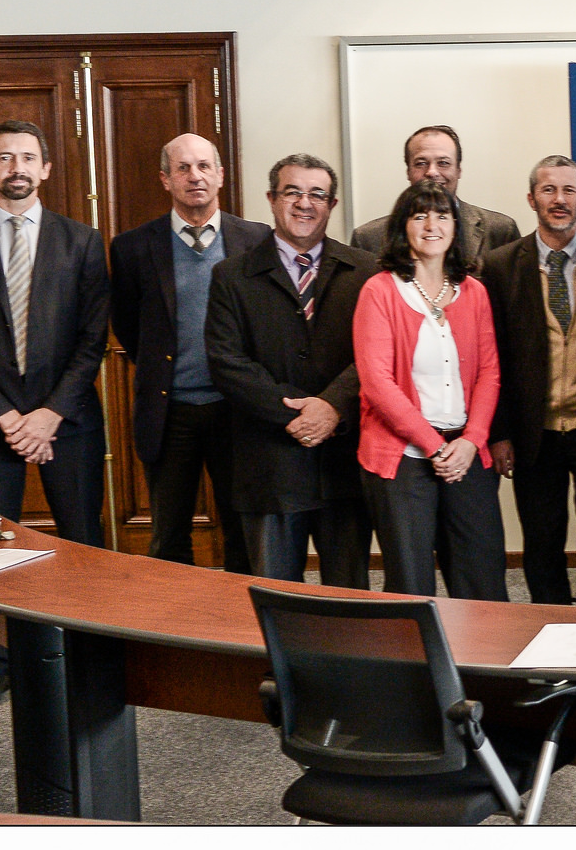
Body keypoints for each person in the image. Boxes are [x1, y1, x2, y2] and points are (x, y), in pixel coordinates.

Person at [0, 119, 109, 710]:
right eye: (4, 158)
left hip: (69, 423)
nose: (18, 169)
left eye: (29, 157)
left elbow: (92, 338)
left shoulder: (81, 242)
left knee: (82, 540)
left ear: (48, 169)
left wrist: (49, 414)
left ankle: (89, 653)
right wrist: (10, 418)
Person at [205, 153, 375, 586]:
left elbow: (377, 356)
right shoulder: (232, 275)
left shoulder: (366, 271)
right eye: (293, 192)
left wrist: (332, 408)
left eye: (317, 194)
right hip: (269, 464)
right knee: (276, 598)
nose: (305, 203)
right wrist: (300, 415)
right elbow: (228, 363)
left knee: (350, 600)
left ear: (332, 204)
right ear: (271, 199)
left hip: (344, 464)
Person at [109, 133, 268, 573]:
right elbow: (127, 325)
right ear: (166, 179)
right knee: (168, 536)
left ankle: (242, 633)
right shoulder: (132, 248)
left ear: (220, 174)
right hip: (169, 410)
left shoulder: (257, 240)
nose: (194, 176)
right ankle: (173, 634)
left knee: (244, 531)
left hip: (236, 409)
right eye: (183, 168)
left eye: (203, 166)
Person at [479, 156, 576, 607]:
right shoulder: (501, 266)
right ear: (531, 199)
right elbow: (494, 358)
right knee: (541, 546)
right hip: (533, 432)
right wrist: (499, 432)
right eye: (548, 190)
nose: (559, 200)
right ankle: (550, 640)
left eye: (568, 190)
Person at [353, 180, 507, 601]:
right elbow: (377, 384)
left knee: (482, 576)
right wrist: (435, 447)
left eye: (442, 215)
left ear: (456, 227)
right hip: (402, 456)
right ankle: (415, 669)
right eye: (419, 215)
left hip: (466, 452)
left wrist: (472, 441)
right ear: (403, 228)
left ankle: (480, 668)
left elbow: (489, 372)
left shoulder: (473, 292)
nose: (432, 224)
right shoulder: (379, 291)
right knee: (411, 582)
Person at [349, 125, 521, 257]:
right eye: (421, 163)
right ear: (408, 171)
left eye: (443, 163)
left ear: (459, 170)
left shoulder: (500, 231)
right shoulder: (367, 239)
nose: (432, 172)